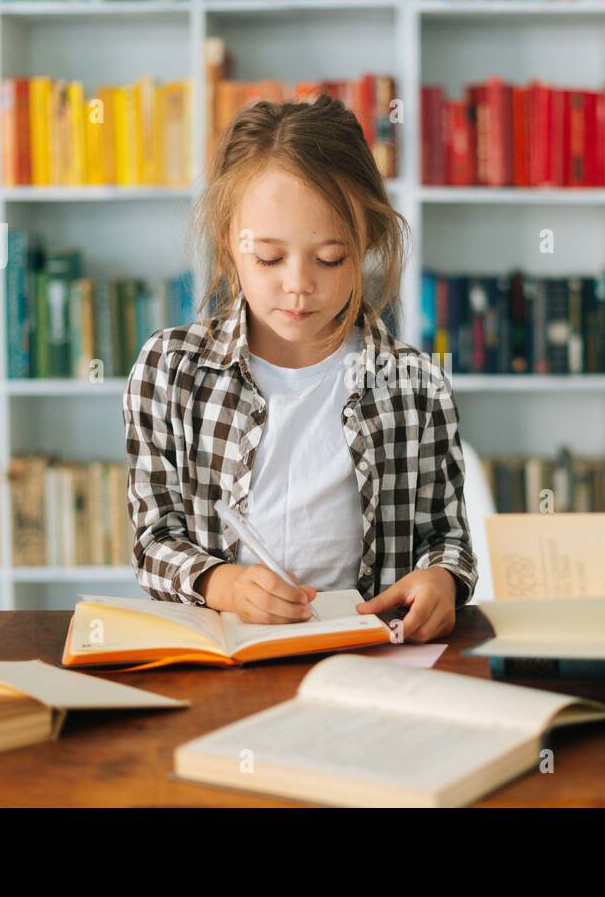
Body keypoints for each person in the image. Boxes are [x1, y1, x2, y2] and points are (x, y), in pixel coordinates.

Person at [123, 94, 477, 644]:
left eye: (330, 258)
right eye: (268, 257)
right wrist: (225, 584)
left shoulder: (414, 385)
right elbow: (154, 542)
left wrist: (442, 580)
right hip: (228, 657)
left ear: (367, 245)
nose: (298, 284)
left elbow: (447, 537)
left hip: (371, 660)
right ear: (228, 245)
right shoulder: (171, 372)